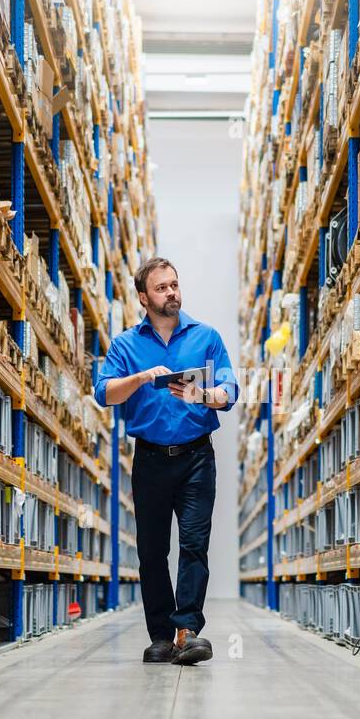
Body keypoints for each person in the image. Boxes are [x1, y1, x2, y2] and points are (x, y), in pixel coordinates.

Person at [94, 258, 240, 665]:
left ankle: (188, 630)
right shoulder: (126, 345)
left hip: (196, 457)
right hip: (151, 460)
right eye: (161, 288)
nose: (171, 292)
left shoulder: (206, 337)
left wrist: (207, 396)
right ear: (143, 297)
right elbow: (104, 393)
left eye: (174, 285)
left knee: (194, 545)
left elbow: (230, 387)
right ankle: (160, 635)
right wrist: (140, 378)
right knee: (152, 551)